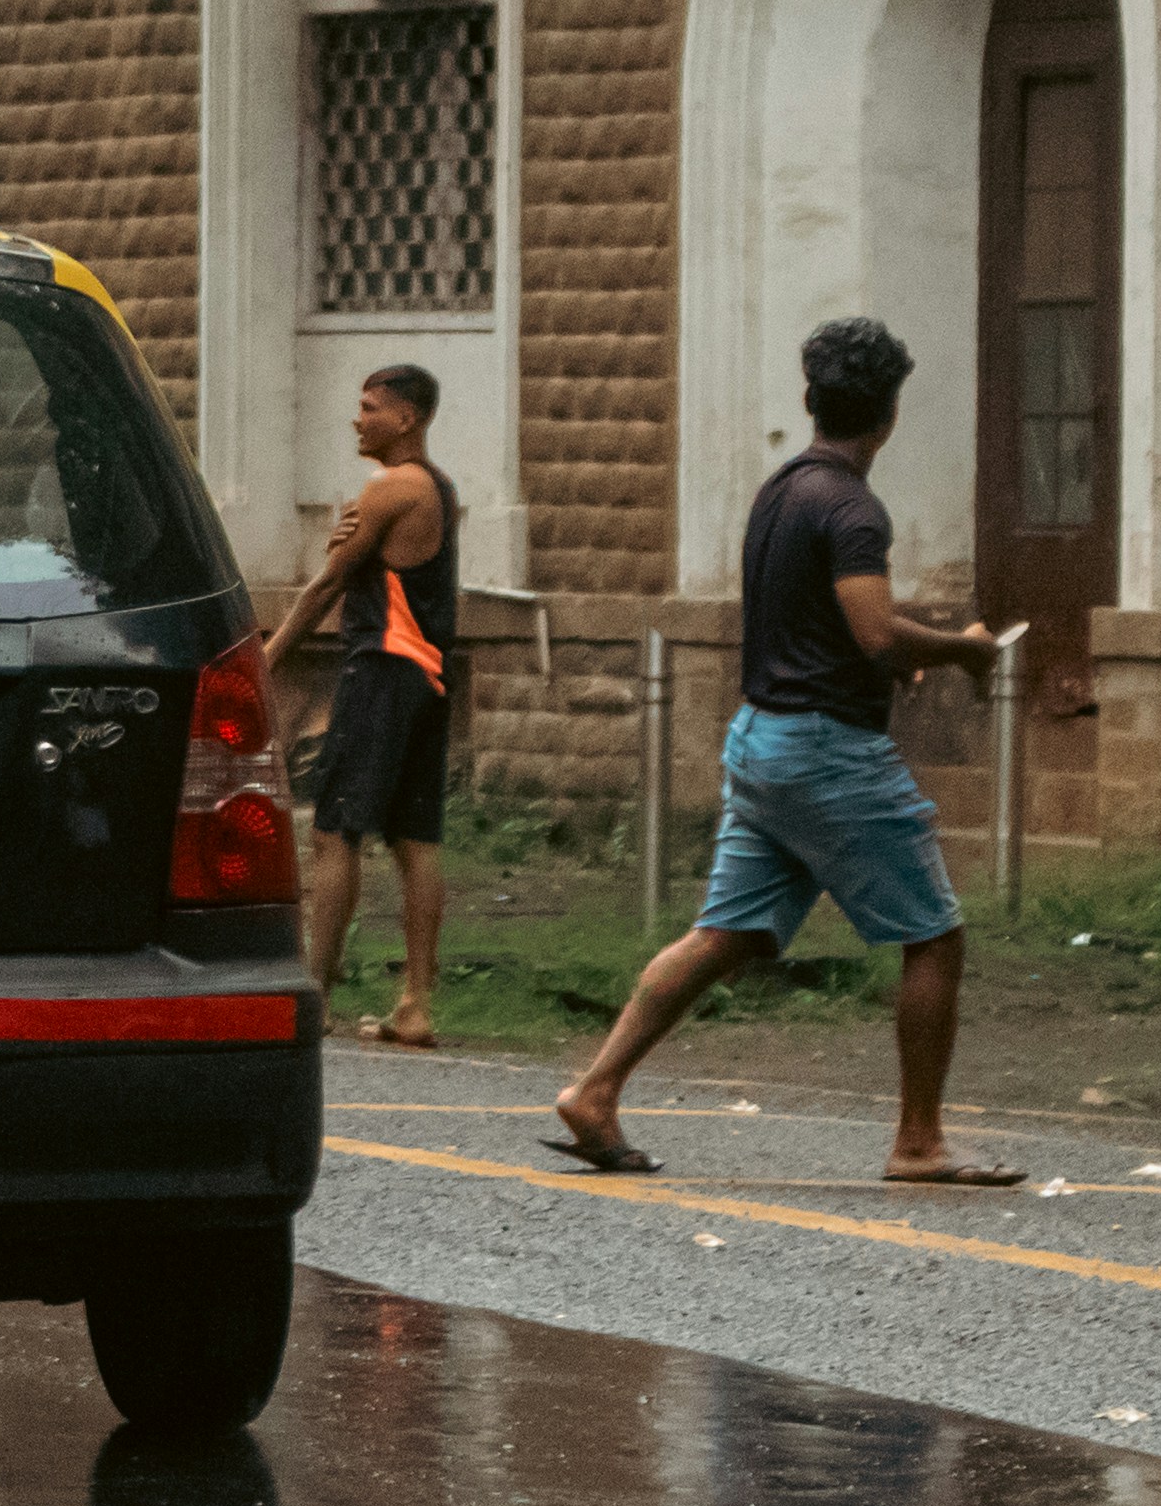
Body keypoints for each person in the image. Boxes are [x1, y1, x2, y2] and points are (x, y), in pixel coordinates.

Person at [552, 316, 1020, 1188]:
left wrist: (880, 661)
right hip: (825, 752)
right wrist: (961, 647)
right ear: (887, 415)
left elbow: (824, 626)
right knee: (934, 935)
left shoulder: (782, 490)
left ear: (812, 401)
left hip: (761, 738)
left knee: (724, 933)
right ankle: (918, 1142)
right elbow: (875, 633)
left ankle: (595, 1088)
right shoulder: (850, 506)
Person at [252, 363, 454, 1049]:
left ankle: (315, 993)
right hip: (428, 677)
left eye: (370, 408)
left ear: (406, 420)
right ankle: (415, 1006)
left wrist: (259, 664)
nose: (356, 418)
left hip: (381, 672)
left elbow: (322, 589)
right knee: (414, 840)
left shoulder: (392, 488)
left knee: (334, 833)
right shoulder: (434, 487)